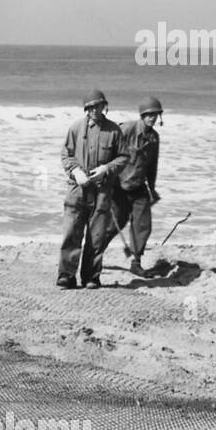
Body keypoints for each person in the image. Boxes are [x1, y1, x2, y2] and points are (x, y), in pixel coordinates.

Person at [57, 89, 127, 289]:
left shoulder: (114, 131)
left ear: (104, 106)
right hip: (77, 189)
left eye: (98, 106)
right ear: (86, 109)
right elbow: (66, 154)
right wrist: (75, 171)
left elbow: (123, 157)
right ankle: (66, 275)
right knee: (71, 232)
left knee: (96, 237)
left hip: (102, 190)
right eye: (91, 107)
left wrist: (107, 168)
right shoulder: (76, 128)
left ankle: (91, 276)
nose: (95, 110)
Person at [114, 96, 163, 277]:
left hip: (139, 186)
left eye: (155, 114)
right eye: (149, 115)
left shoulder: (154, 137)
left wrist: (152, 188)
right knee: (114, 225)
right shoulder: (126, 129)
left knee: (143, 225)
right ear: (142, 115)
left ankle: (136, 262)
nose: (152, 118)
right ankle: (94, 256)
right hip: (118, 186)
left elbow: (152, 166)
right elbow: (110, 151)